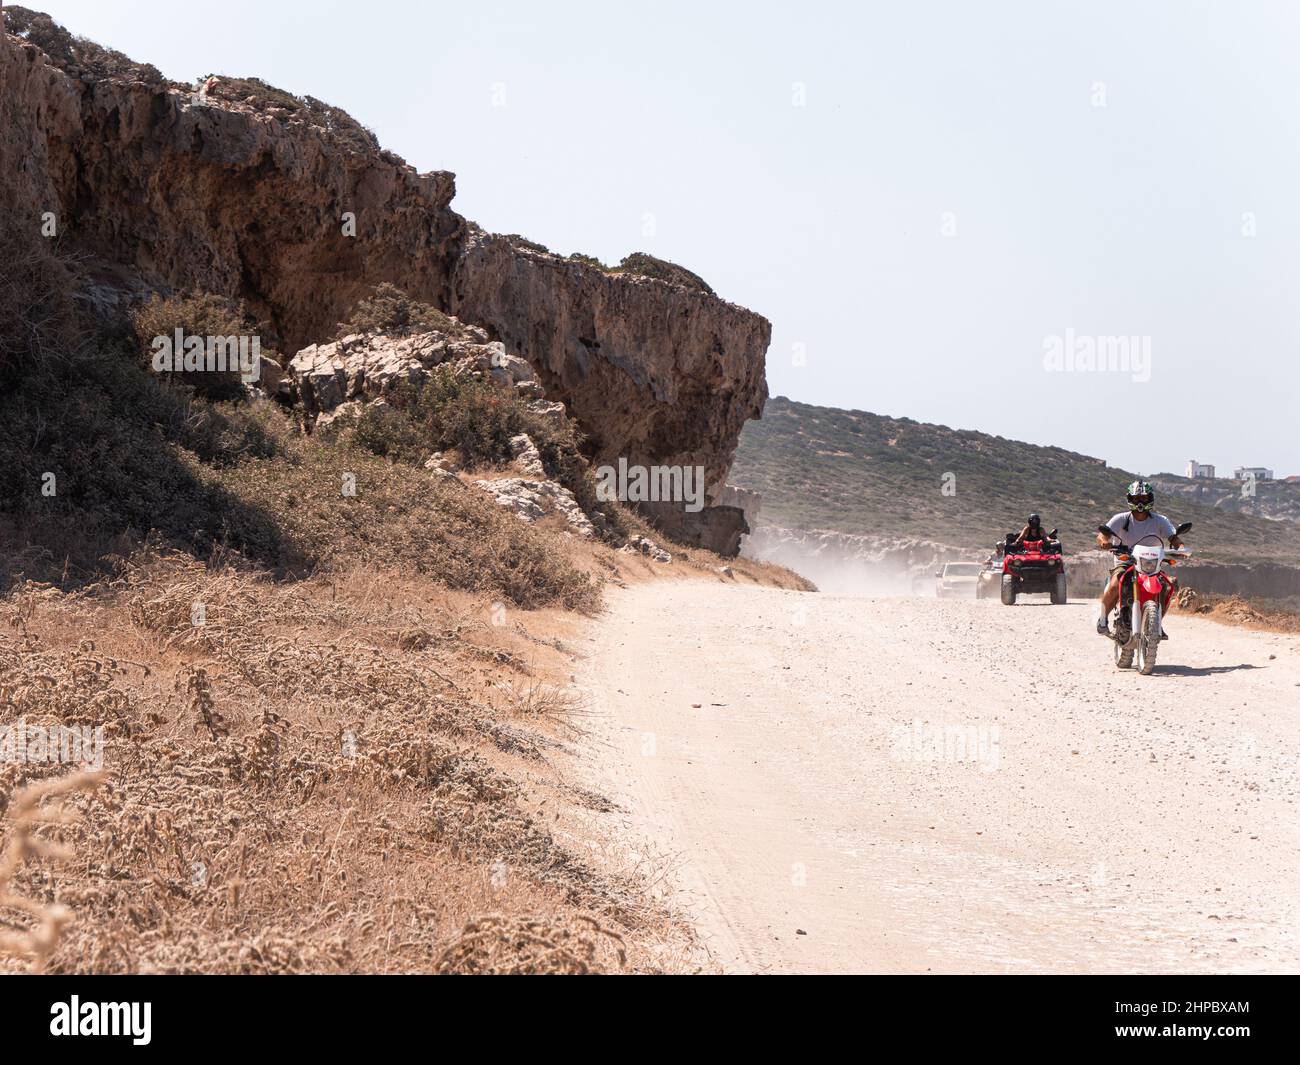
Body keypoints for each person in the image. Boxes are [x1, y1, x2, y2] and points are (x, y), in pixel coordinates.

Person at [1095, 481, 1184, 636]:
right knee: (1116, 584)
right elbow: (1103, 534)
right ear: (1130, 499)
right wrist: (1104, 542)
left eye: (1143, 497)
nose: (1140, 501)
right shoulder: (1120, 519)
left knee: (1167, 586)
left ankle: (1156, 623)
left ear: (1150, 498)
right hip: (1126, 561)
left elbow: (1174, 537)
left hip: (1151, 564)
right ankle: (1103, 619)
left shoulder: (1160, 520)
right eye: (1136, 498)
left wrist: (1181, 548)